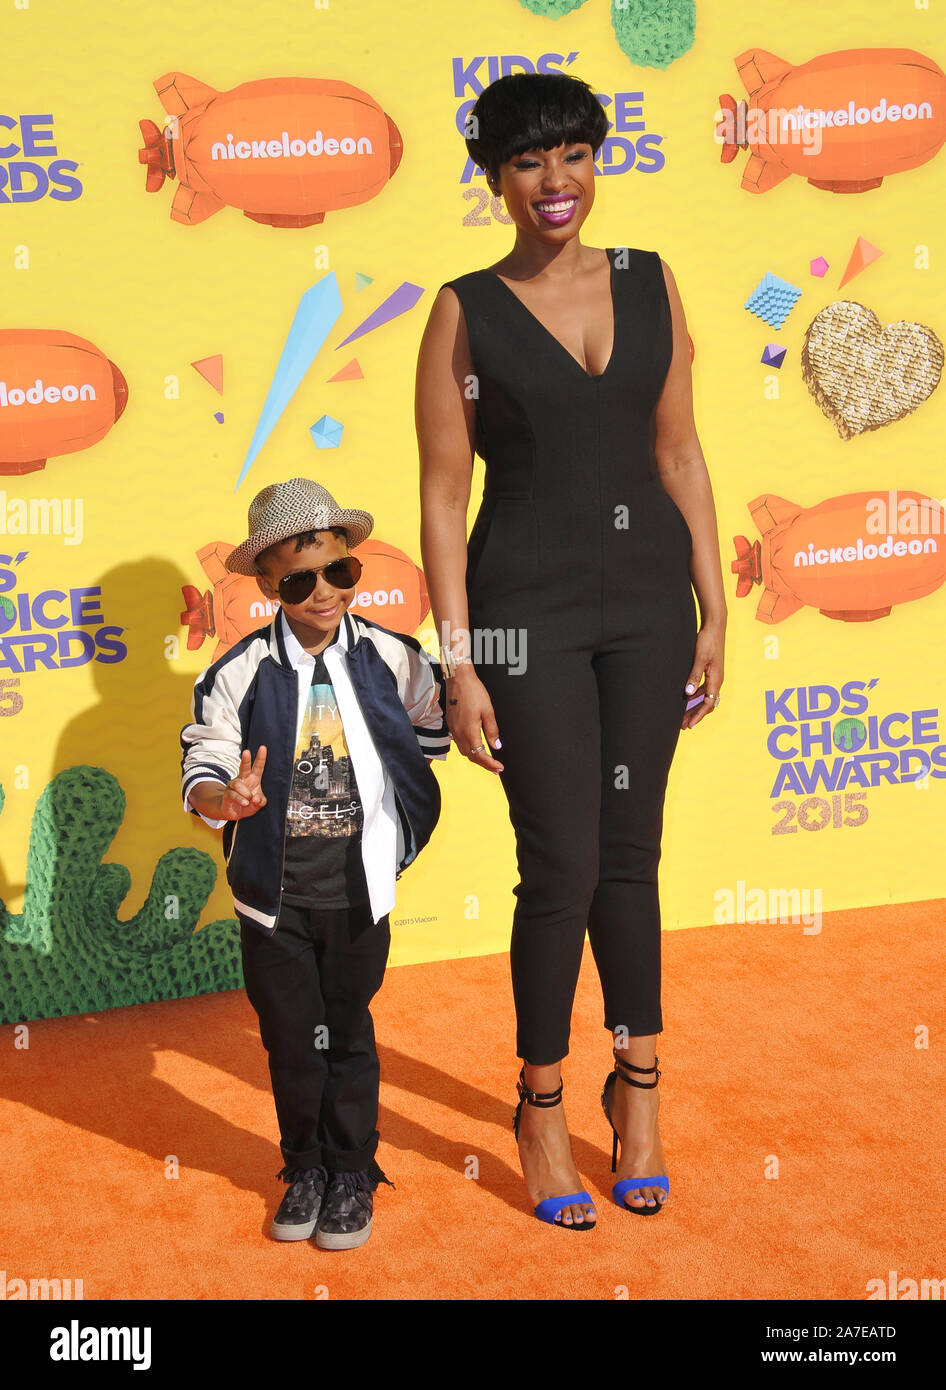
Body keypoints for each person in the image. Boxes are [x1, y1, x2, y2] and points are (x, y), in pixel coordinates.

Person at [415, 73, 726, 1228]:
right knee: (561, 867)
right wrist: (458, 664)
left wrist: (715, 606)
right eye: (531, 162)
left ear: (599, 163)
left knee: (631, 857)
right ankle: (538, 1105)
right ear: (496, 178)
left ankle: (636, 1093)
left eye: (575, 156)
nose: (557, 183)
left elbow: (681, 452)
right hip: (524, 611)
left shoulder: (649, 283)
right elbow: (444, 499)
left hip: (648, 604)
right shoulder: (464, 309)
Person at [180, 477, 449, 1248]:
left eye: (340, 572)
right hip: (274, 899)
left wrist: (402, 801)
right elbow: (205, 761)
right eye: (300, 580)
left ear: (353, 566)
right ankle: (304, 1168)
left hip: (360, 893)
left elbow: (431, 722)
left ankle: (353, 1173)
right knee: (291, 1038)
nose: (324, 593)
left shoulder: (394, 657)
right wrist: (223, 801)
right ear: (267, 585)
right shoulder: (234, 675)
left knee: (350, 1030)